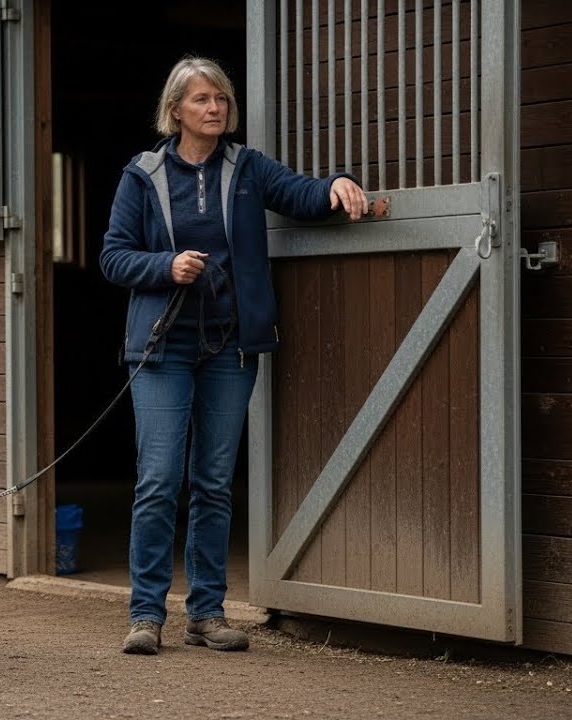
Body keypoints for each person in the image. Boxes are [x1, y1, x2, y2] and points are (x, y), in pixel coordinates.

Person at [99, 56, 368, 655]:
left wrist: (336, 184)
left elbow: (300, 195)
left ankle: (207, 613)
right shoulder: (141, 175)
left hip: (230, 346)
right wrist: (164, 266)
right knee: (159, 480)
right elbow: (113, 257)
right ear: (176, 111)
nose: (215, 107)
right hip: (161, 347)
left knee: (214, 482)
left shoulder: (248, 167)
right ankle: (146, 615)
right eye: (201, 100)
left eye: (220, 98)